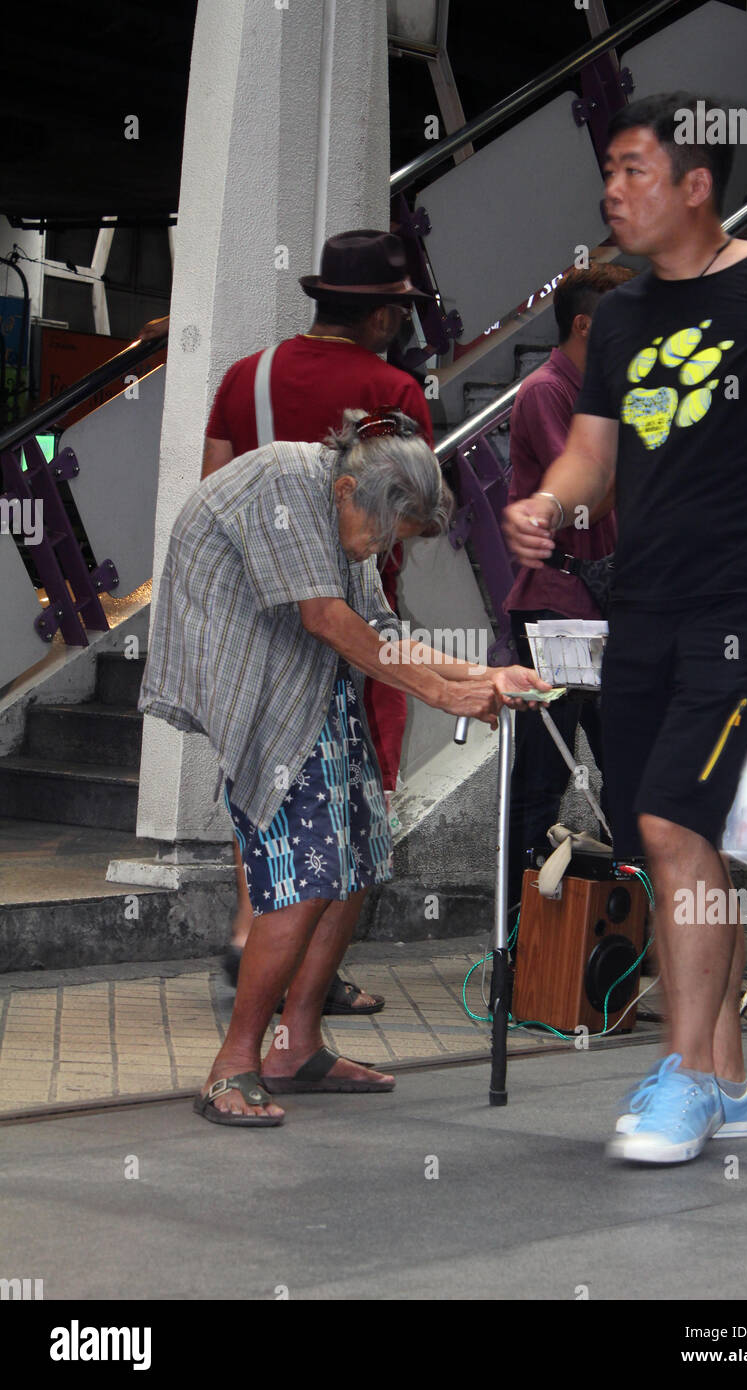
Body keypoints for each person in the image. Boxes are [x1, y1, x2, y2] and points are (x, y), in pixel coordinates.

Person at [503, 91, 747, 1165]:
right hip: (642, 605)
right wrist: (550, 505)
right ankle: (733, 1080)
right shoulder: (616, 317)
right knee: (669, 844)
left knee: (666, 823)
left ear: (694, 183)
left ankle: (691, 1076)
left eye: (630, 172)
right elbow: (593, 454)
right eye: (605, 176)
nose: (611, 194)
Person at [139, 408, 550, 1124]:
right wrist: (445, 691)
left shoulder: (345, 506)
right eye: (385, 532)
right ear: (349, 492)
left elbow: (382, 634)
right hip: (262, 688)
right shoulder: (284, 482)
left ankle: (296, 1045)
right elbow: (326, 621)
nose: (382, 549)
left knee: (356, 860)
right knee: (303, 878)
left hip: (310, 682)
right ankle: (232, 1063)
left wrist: (484, 677)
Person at [203, 230, 435, 1017]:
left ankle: (249, 936)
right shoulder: (395, 391)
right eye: (400, 310)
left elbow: (216, 491)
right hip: (350, 623)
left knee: (262, 782)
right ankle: (307, 976)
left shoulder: (246, 377)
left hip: (259, 624)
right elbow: (409, 514)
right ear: (379, 316)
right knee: (353, 794)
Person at [504, 263, 632, 924]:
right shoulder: (547, 392)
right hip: (555, 607)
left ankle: (628, 926)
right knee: (540, 780)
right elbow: (579, 499)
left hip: (610, 609)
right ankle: (521, 939)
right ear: (586, 325)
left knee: (631, 769)